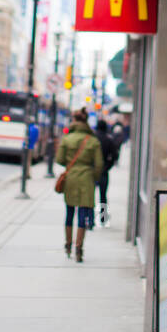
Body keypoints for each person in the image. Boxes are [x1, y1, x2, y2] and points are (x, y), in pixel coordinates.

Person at [56, 109, 103, 262]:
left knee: (69, 213)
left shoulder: (67, 139)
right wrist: (93, 177)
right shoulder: (93, 141)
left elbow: (59, 159)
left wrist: (70, 165)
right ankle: (79, 248)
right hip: (86, 179)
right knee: (83, 214)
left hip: (71, 178)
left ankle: (67, 244)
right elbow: (99, 165)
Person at [93, 118, 118, 227]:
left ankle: (89, 218)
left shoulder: (92, 139)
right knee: (103, 196)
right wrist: (108, 166)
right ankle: (103, 218)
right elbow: (115, 156)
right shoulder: (109, 140)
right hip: (103, 171)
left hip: (92, 170)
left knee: (90, 195)